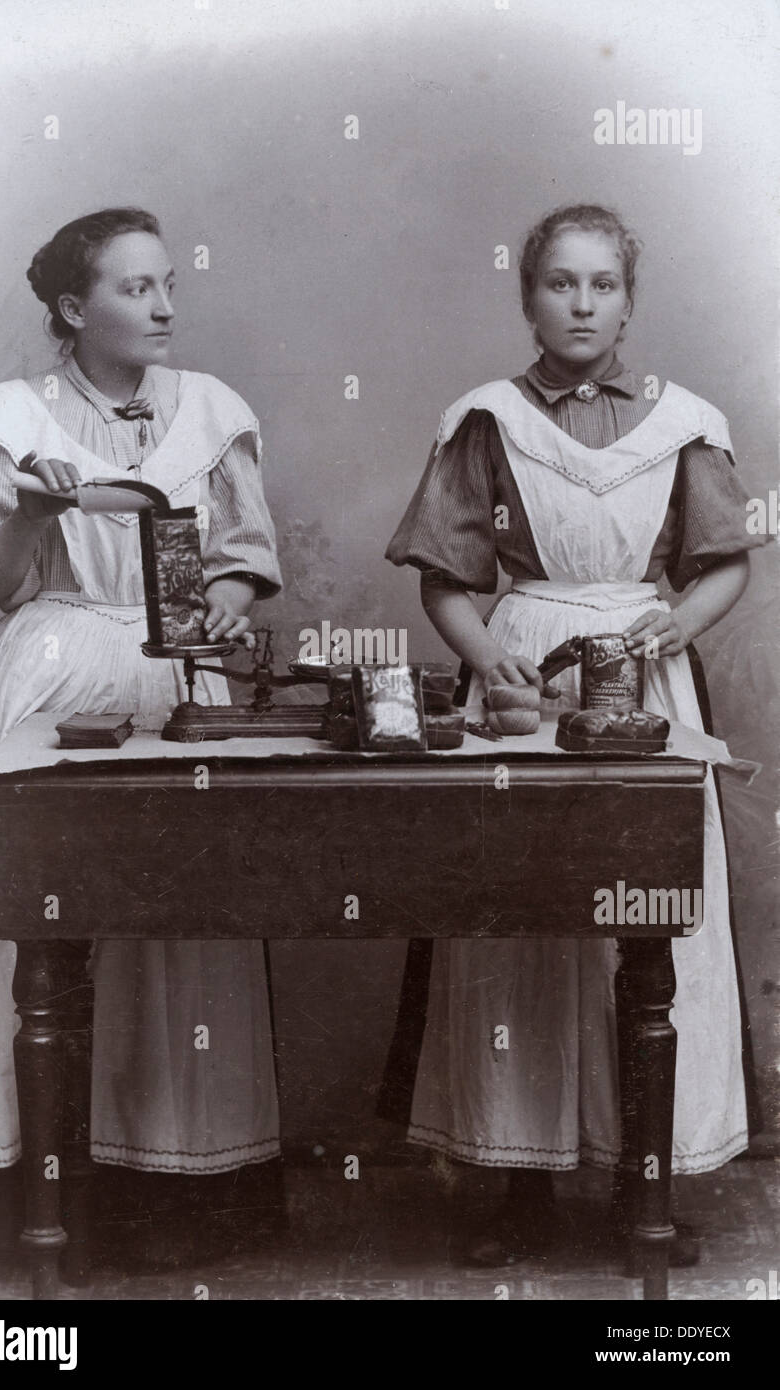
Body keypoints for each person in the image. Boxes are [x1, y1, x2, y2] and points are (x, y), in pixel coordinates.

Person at [382, 203, 768, 1266]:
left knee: (648, 922)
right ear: (528, 296)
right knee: (519, 920)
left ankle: (642, 1174)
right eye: (559, 283)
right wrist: (483, 655)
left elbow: (724, 558)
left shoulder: (681, 421)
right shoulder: (484, 420)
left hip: (644, 674)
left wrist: (669, 628)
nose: (582, 303)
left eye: (602, 284)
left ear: (628, 300)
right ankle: (514, 1176)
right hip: (525, 664)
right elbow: (445, 577)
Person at [0, 207, 284, 1266]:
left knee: (183, 929)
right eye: (134, 289)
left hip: (180, 684)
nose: (164, 305)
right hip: (49, 679)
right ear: (72, 309)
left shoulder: (212, 413)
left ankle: (175, 1192)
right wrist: (34, 519)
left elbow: (240, 553)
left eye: (168, 283)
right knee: (31, 929)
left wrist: (221, 604)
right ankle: (32, 1190)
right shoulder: (5, 418)